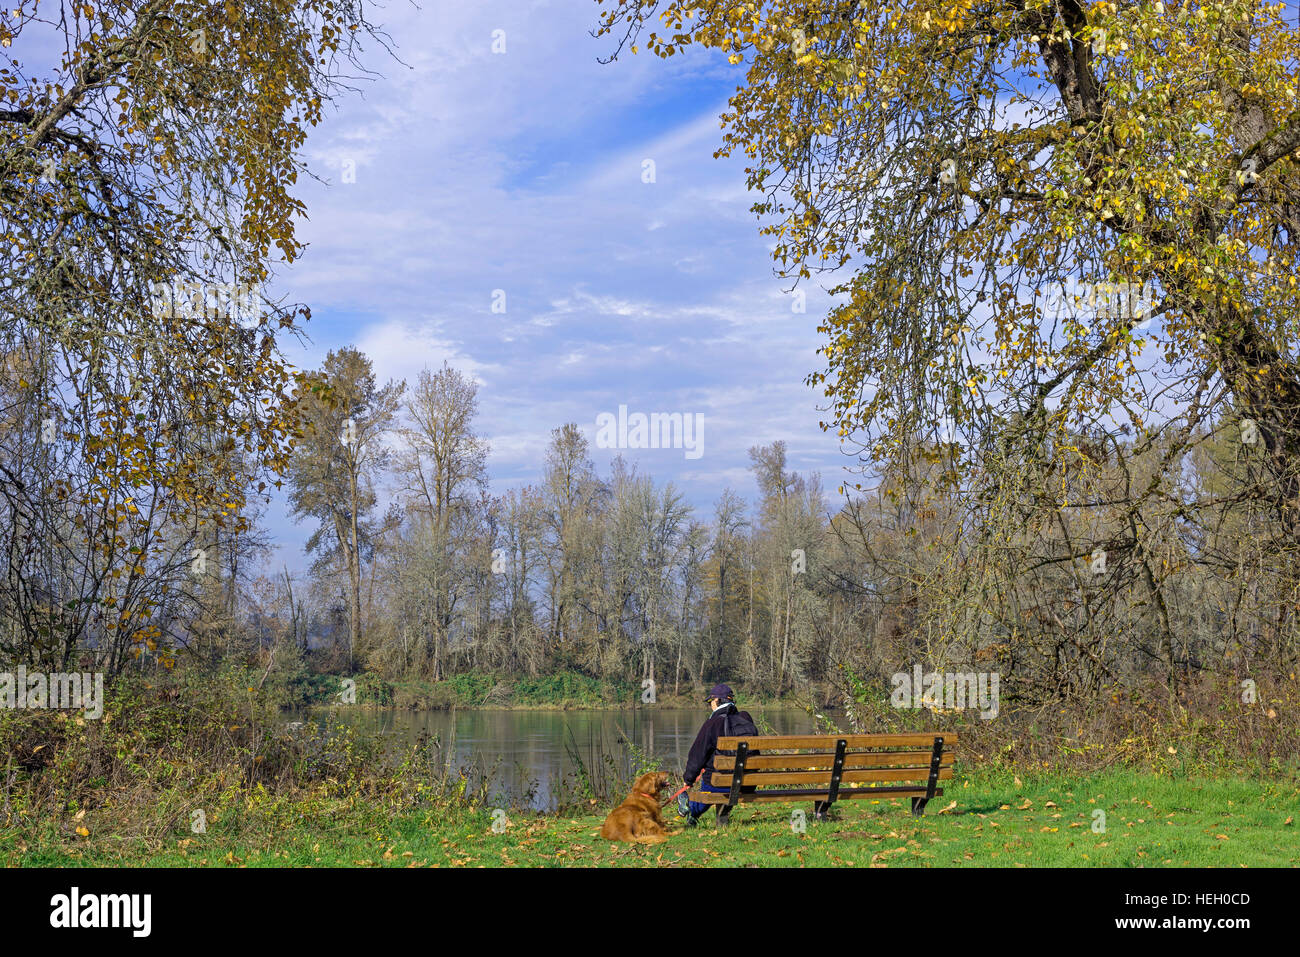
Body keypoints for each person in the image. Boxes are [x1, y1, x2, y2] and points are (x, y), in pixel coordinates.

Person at [676, 683, 758, 827]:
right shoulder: (746, 718)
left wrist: (688, 780)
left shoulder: (712, 723)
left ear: (718, 701)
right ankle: (702, 816)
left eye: (710, 702)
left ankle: (692, 812)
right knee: (721, 779)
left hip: (720, 783)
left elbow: (697, 754)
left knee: (710, 785)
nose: (710, 705)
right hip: (747, 784)